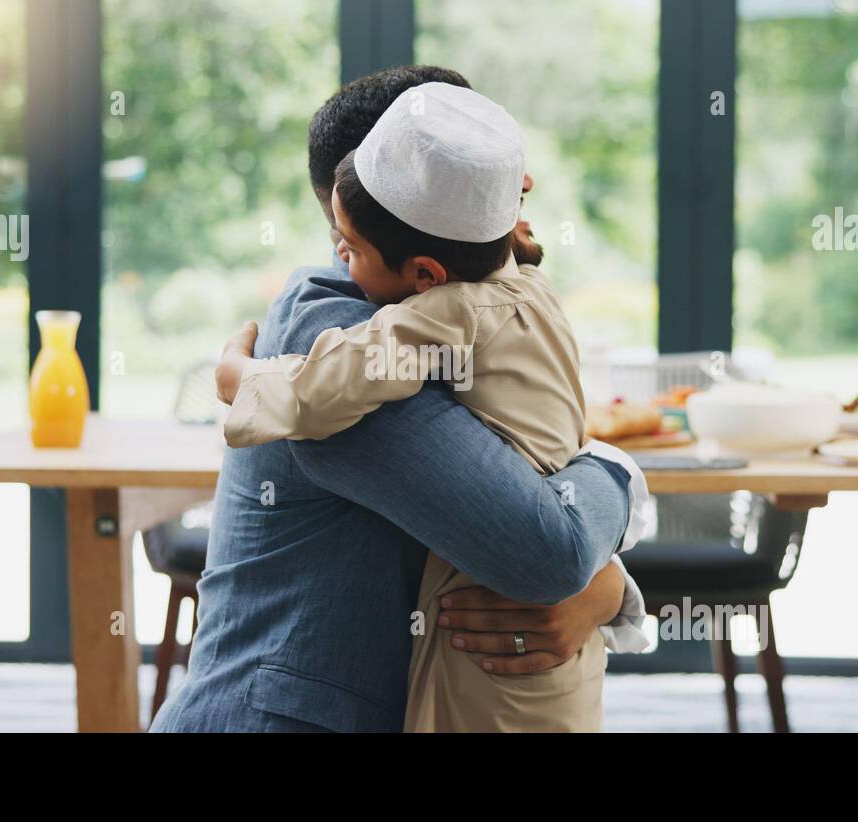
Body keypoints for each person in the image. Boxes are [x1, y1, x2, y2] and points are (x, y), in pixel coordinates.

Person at [150, 66, 644, 733]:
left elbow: (535, 512)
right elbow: (545, 551)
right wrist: (620, 475)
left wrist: (604, 589)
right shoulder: (337, 335)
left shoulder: (471, 308)